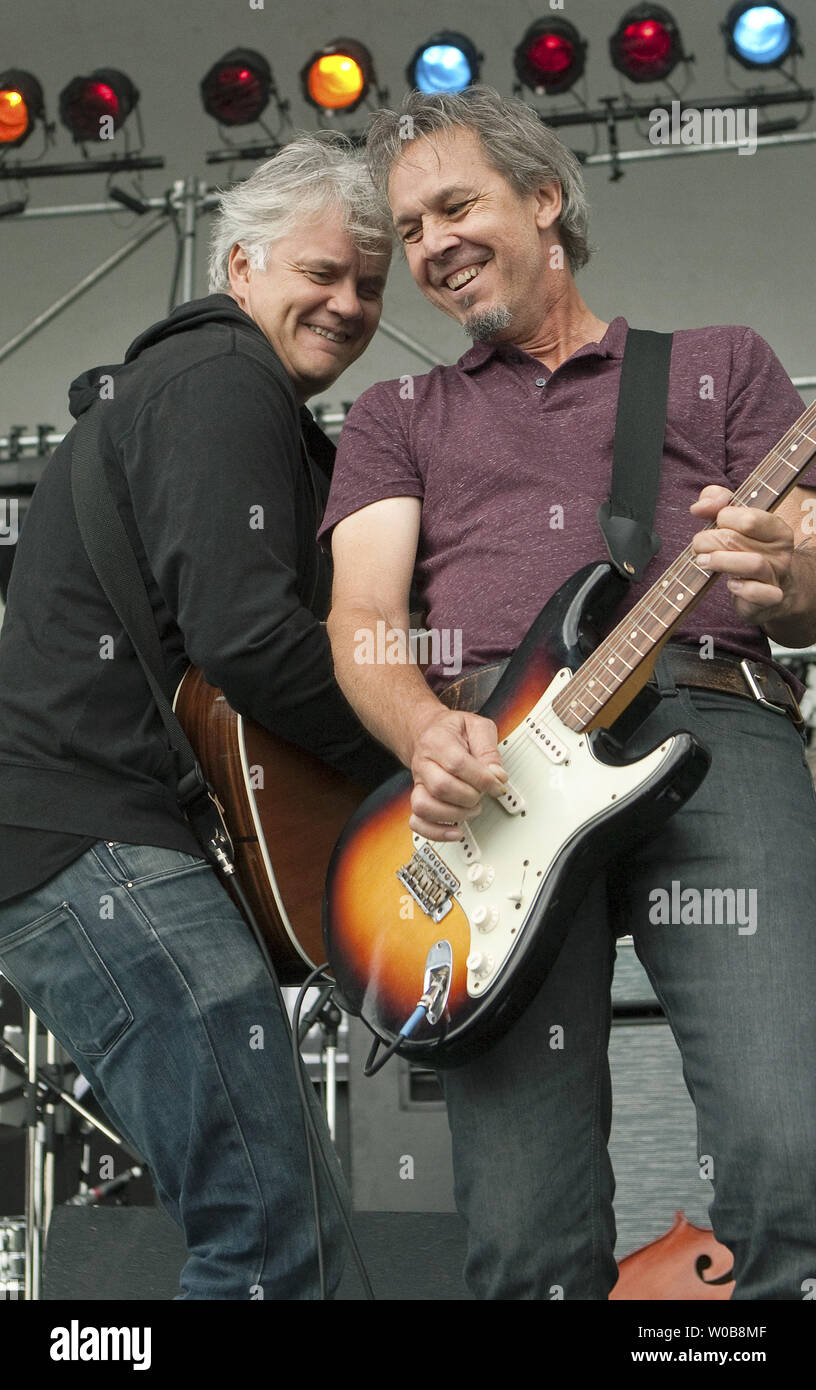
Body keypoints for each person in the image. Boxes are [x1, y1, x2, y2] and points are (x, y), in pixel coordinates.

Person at [320, 87, 816, 1300]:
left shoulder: (722, 366)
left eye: (454, 205)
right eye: (410, 226)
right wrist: (426, 728)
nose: (430, 243)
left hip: (715, 720)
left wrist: (788, 570)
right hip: (489, 780)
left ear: (545, 199)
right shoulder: (397, 413)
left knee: (791, 1148)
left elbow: (806, 592)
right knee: (525, 1232)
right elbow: (366, 622)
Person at [0, 131, 394, 1299]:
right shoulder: (223, 374)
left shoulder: (220, 396)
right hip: (97, 844)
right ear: (239, 267)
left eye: (371, 284)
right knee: (272, 1240)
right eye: (320, 272)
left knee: (294, 1241)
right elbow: (250, 641)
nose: (350, 302)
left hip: (88, 847)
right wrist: (420, 747)